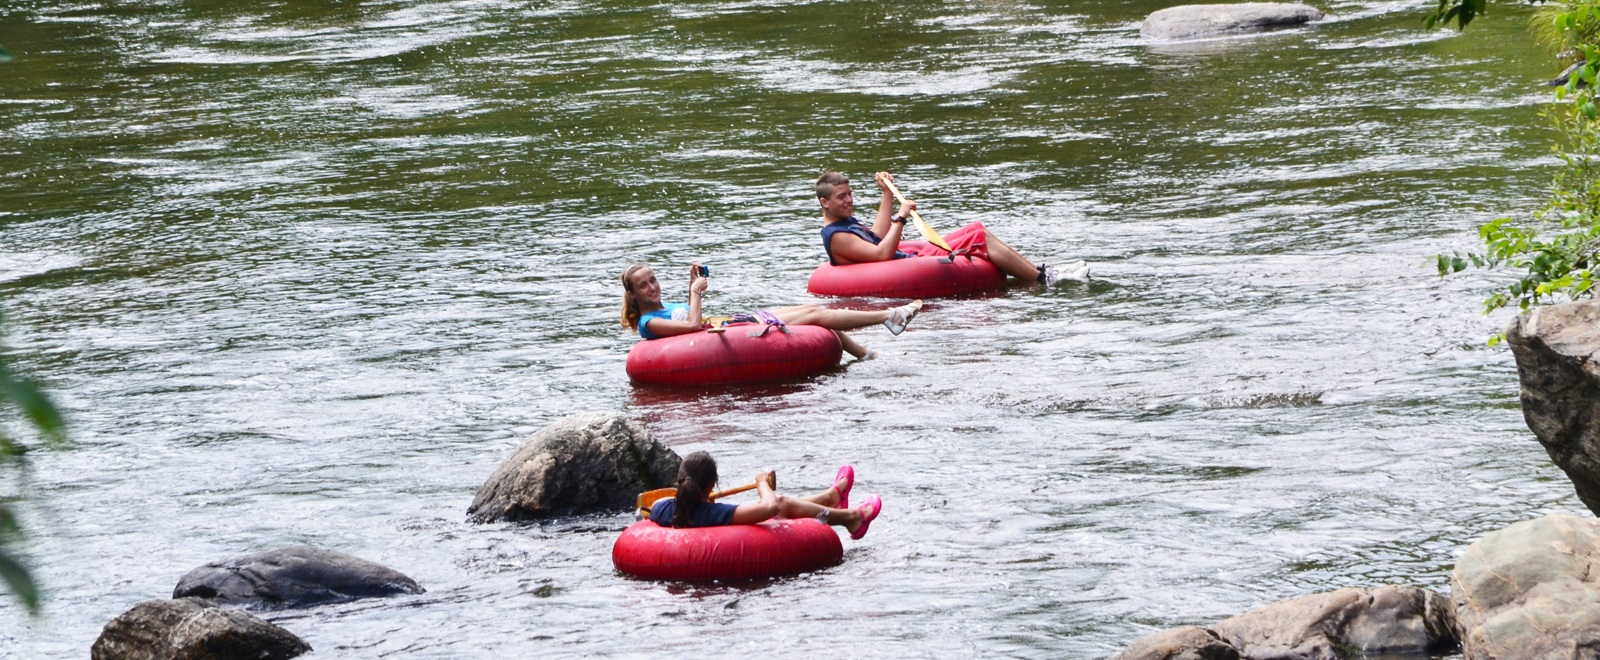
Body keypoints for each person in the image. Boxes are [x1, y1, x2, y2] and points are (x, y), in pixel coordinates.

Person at [815, 171, 1089, 285]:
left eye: (850, 194)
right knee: (978, 238)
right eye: (842, 197)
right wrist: (901, 217)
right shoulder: (837, 236)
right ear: (824, 202)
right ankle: (1042, 279)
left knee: (977, 229)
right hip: (899, 264)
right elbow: (881, 254)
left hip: (906, 259)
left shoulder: (845, 223)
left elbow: (876, 236)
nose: (849, 200)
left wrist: (887, 194)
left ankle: (1042, 271)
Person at [619, 262, 923, 360]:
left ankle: (865, 354)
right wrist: (695, 293)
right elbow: (691, 326)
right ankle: (888, 317)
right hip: (736, 333)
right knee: (816, 316)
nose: (652, 287)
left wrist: (691, 284)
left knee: (812, 309)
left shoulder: (667, 307)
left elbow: (690, 318)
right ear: (633, 294)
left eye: (653, 280)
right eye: (643, 285)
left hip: (734, 321)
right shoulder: (649, 322)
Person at [649, 451, 883, 540]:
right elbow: (769, 507)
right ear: (711, 485)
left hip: (701, 507)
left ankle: (831, 499)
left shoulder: (663, 509)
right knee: (780, 503)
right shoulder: (713, 513)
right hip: (728, 534)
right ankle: (852, 518)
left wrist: (703, 498)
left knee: (782, 503)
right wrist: (761, 484)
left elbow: (661, 502)